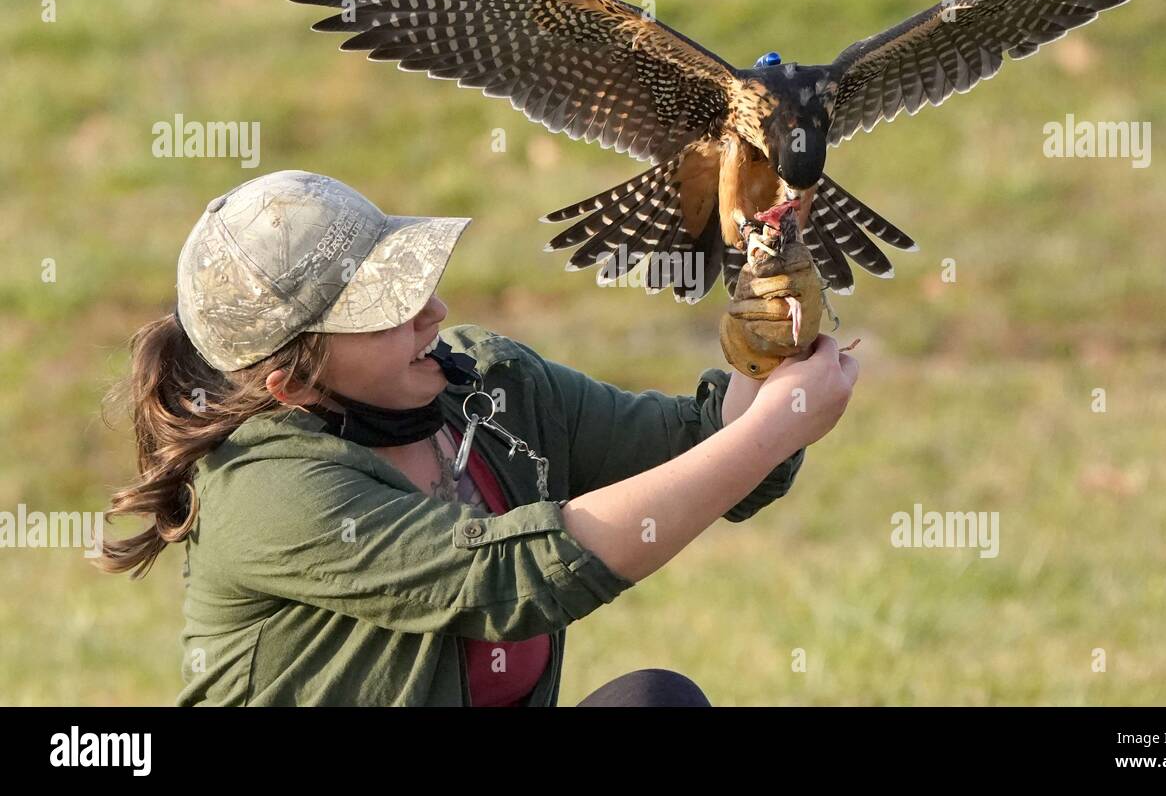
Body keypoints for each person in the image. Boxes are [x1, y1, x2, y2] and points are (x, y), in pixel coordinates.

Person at [97, 169, 859, 706]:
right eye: (384, 308)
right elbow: (510, 578)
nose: (431, 309)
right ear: (291, 385)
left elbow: (699, 449)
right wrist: (773, 427)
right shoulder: (264, 490)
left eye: (408, 278)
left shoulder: (483, 381)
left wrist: (767, 347)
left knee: (654, 703)